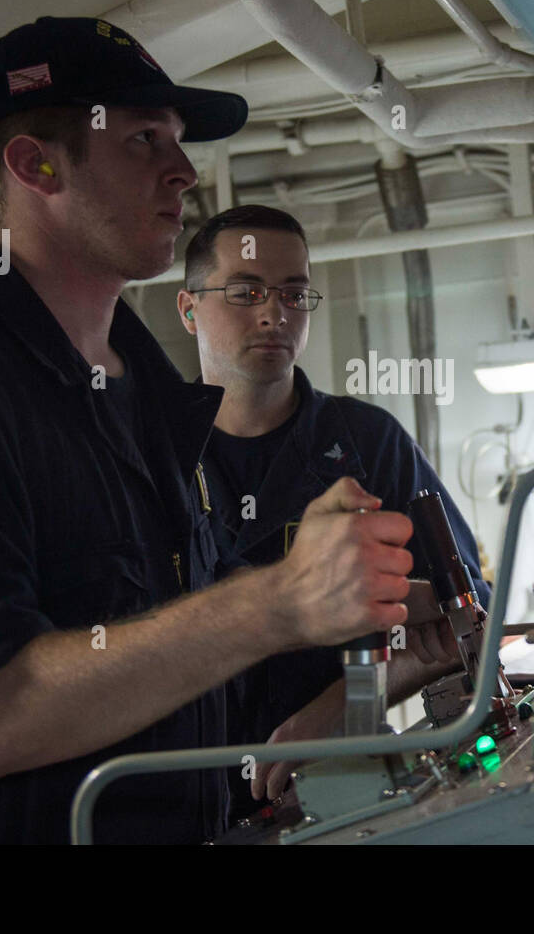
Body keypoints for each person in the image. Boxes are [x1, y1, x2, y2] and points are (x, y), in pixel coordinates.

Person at [0, 18, 417, 845]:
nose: (184, 170)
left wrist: (378, 631)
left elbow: (169, 640)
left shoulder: (145, 385)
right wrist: (281, 601)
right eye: (141, 139)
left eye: (177, 140)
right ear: (35, 165)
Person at [177, 204, 489, 815]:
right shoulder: (143, 452)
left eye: (295, 293)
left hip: (342, 788)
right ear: (189, 310)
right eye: (246, 291)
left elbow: (467, 617)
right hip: (177, 794)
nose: (275, 313)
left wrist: (338, 709)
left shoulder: (368, 445)